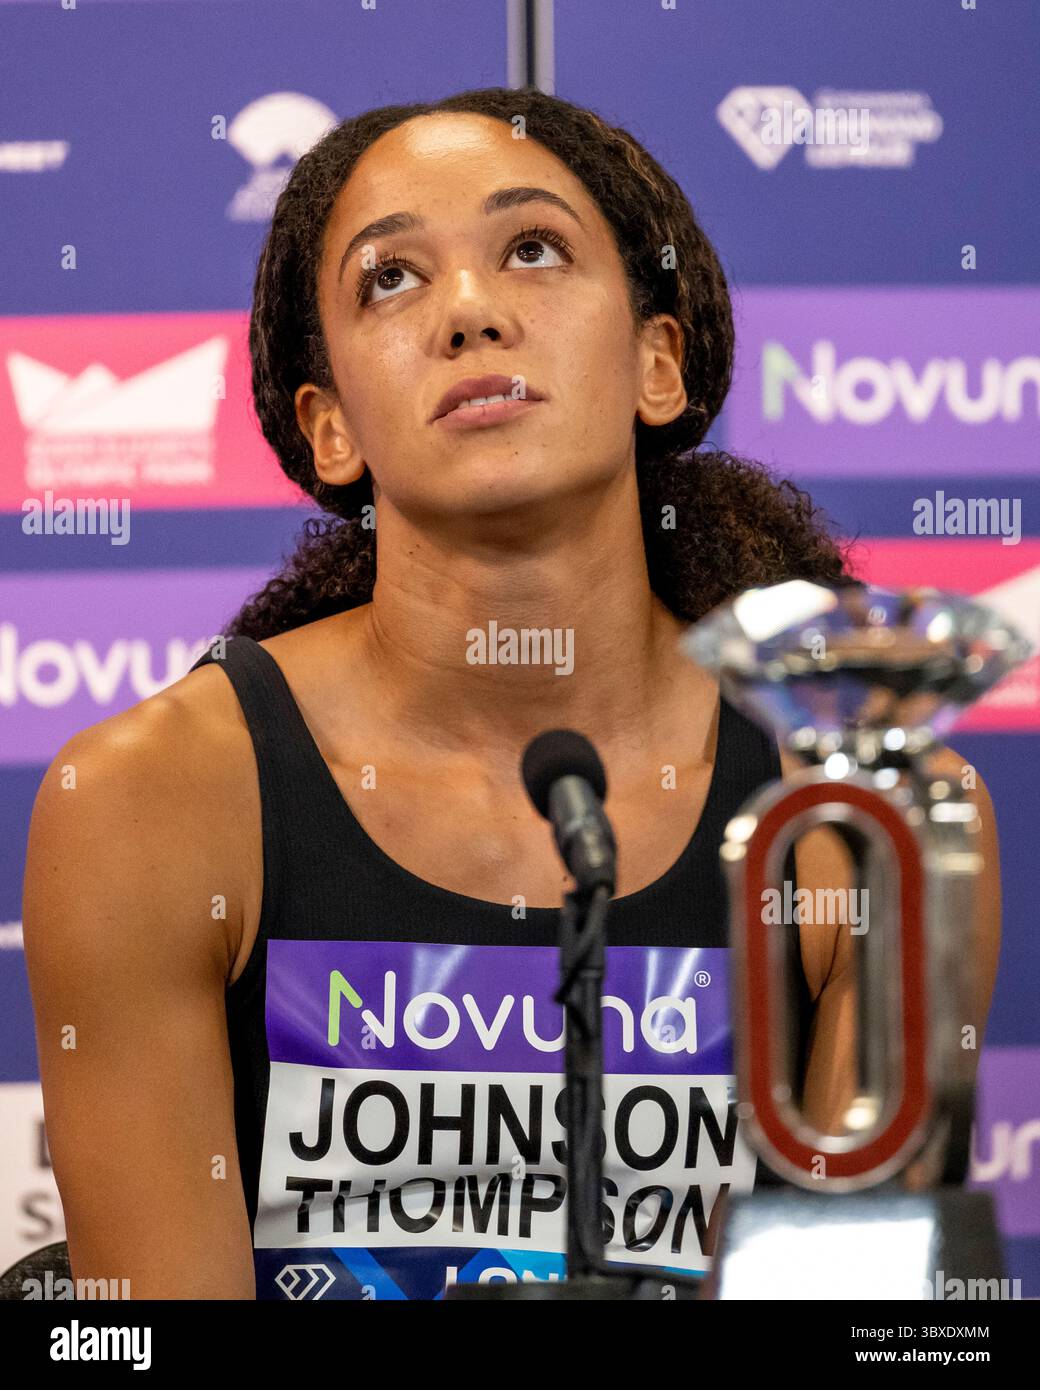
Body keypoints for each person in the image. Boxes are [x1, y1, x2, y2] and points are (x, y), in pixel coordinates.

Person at [21, 86, 1001, 1300]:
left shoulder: (862, 811)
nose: (471, 314)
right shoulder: (149, 798)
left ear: (656, 361)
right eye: (390, 280)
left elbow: (866, 1323)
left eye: (531, 249)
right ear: (328, 431)